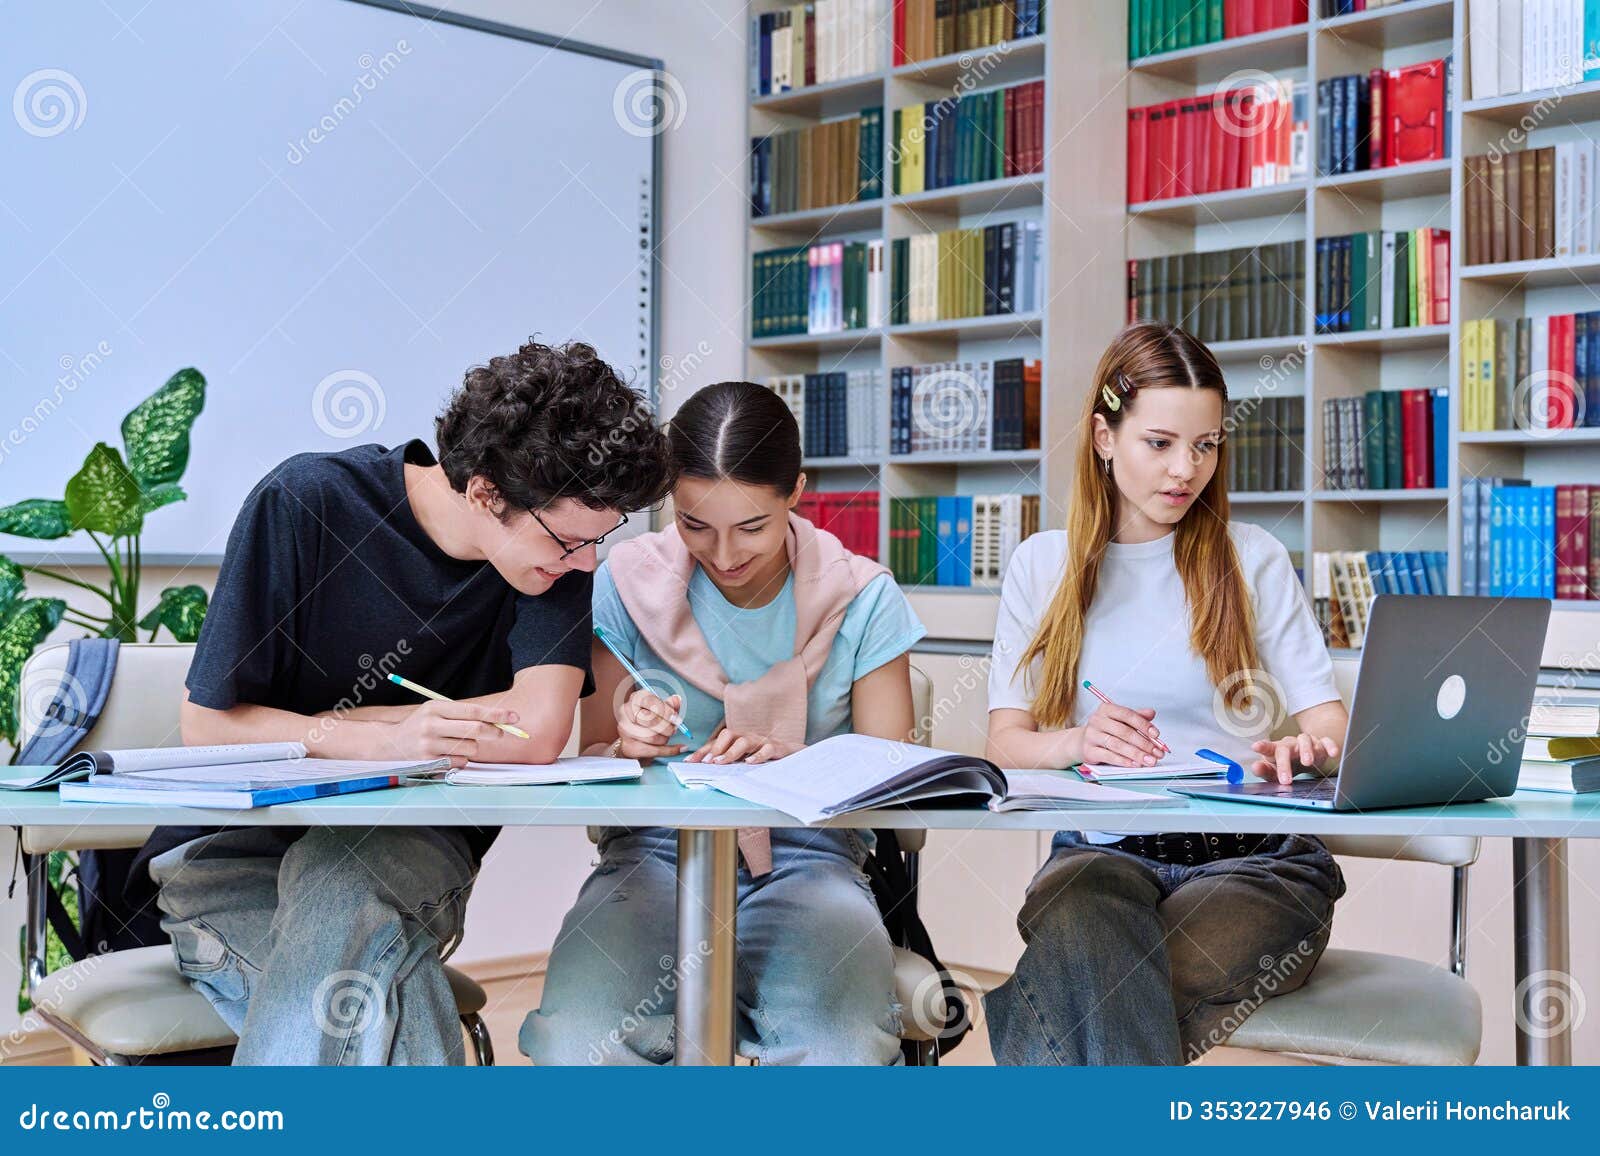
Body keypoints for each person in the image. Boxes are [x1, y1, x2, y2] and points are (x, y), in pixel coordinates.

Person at [138, 340, 673, 1065]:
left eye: (600, 540)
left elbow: (541, 731)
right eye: (571, 541)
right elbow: (208, 725)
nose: (587, 564)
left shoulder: (555, 558)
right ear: (485, 491)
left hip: (403, 849)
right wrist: (388, 739)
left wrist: (340, 725)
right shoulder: (307, 503)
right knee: (392, 1024)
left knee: (341, 886)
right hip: (236, 861)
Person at [521, 380, 925, 1065]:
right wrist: (630, 739)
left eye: (752, 527)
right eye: (694, 524)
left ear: (796, 491)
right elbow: (597, 748)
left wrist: (794, 763)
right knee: (577, 1040)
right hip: (652, 855)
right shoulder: (624, 580)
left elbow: (888, 776)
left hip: (811, 859)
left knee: (841, 1047)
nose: (725, 554)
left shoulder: (863, 597)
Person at [983, 322, 1348, 1065]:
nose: (1186, 470)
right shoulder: (1040, 566)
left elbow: (1331, 726)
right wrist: (1077, 742)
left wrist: (1311, 749)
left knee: (1077, 982)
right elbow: (1004, 743)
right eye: (1160, 443)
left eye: (1206, 445)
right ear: (1104, 436)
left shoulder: (1254, 558)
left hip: (1259, 868)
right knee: (1087, 931)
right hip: (1102, 858)